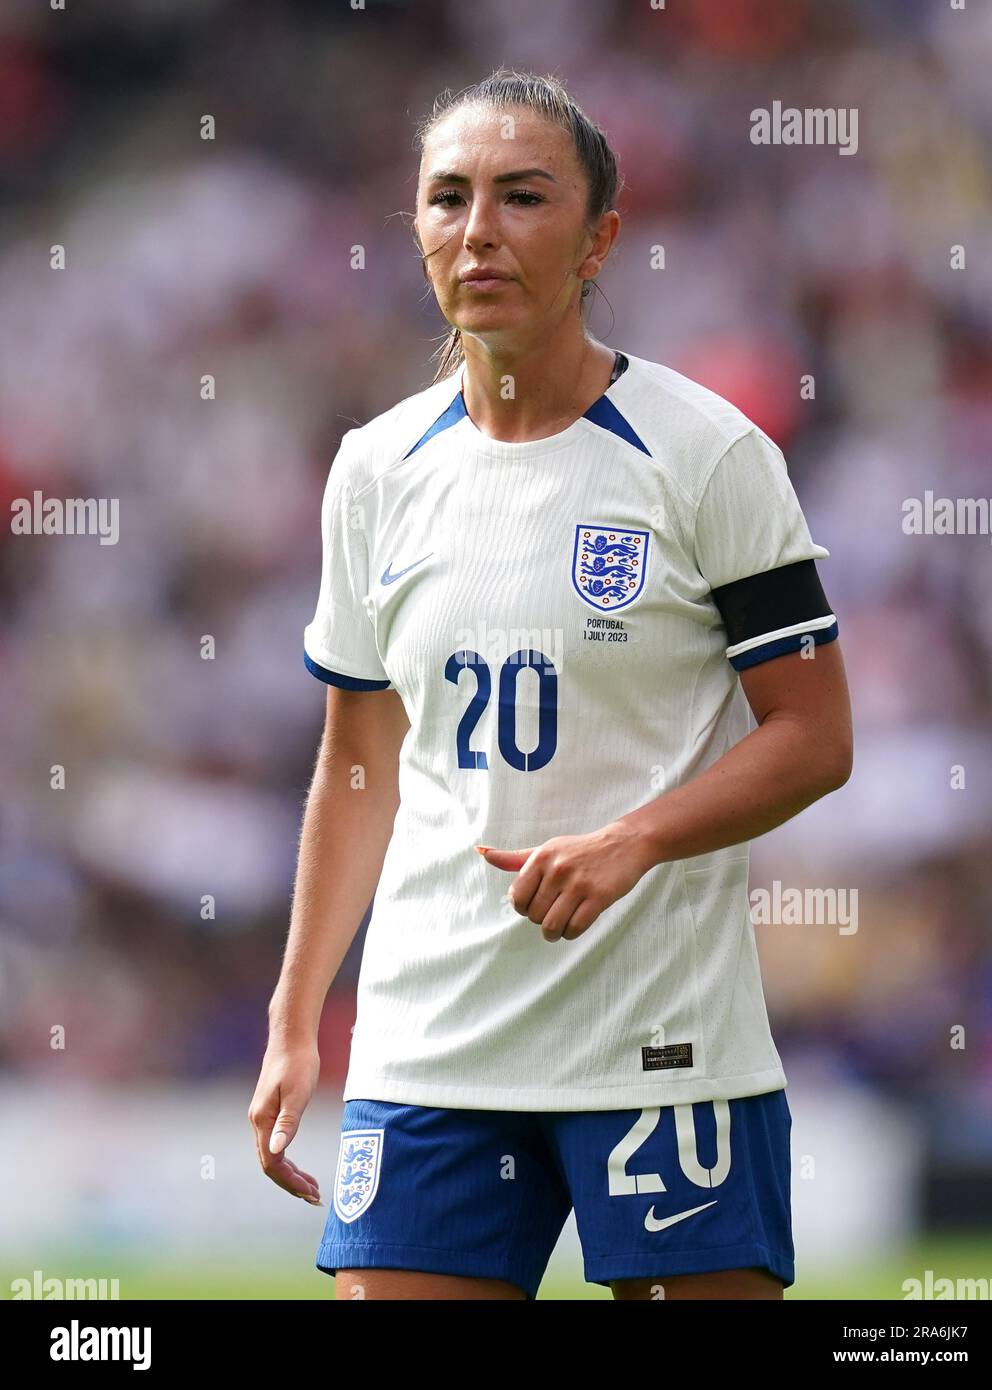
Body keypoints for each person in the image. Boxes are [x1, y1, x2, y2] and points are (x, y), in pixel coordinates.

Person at [248, 68, 852, 1302]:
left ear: (598, 240)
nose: (479, 230)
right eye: (448, 197)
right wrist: (295, 1016)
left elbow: (813, 735)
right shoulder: (375, 469)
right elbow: (358, 763)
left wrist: (635, 839)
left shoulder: (707, 454)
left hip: (660, 1042)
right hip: (430, 1044)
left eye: (522, 197)